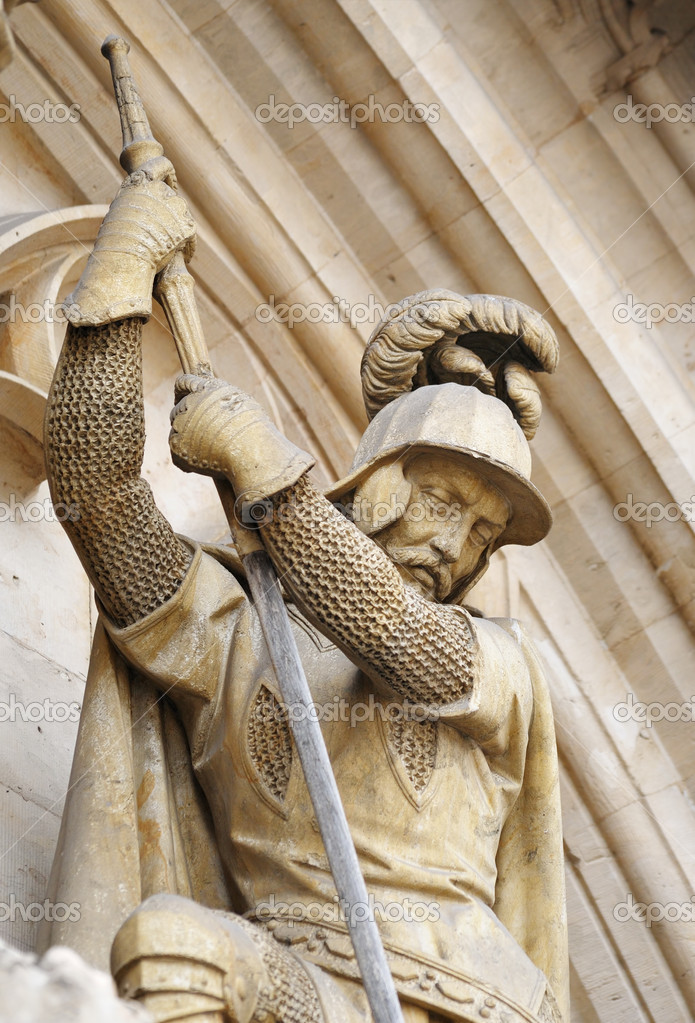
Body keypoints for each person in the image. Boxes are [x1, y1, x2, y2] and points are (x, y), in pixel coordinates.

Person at [41, 157, 569, 1023]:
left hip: (477, 1001)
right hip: (304, 981)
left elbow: (401, 643)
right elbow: (96, 501)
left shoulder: (498, 665)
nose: (453, 544)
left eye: (480, 531)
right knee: (170, 948)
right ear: (374, 486)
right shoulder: (234, 634)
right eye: (440, 501)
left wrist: (265, 472)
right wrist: (122, 272)